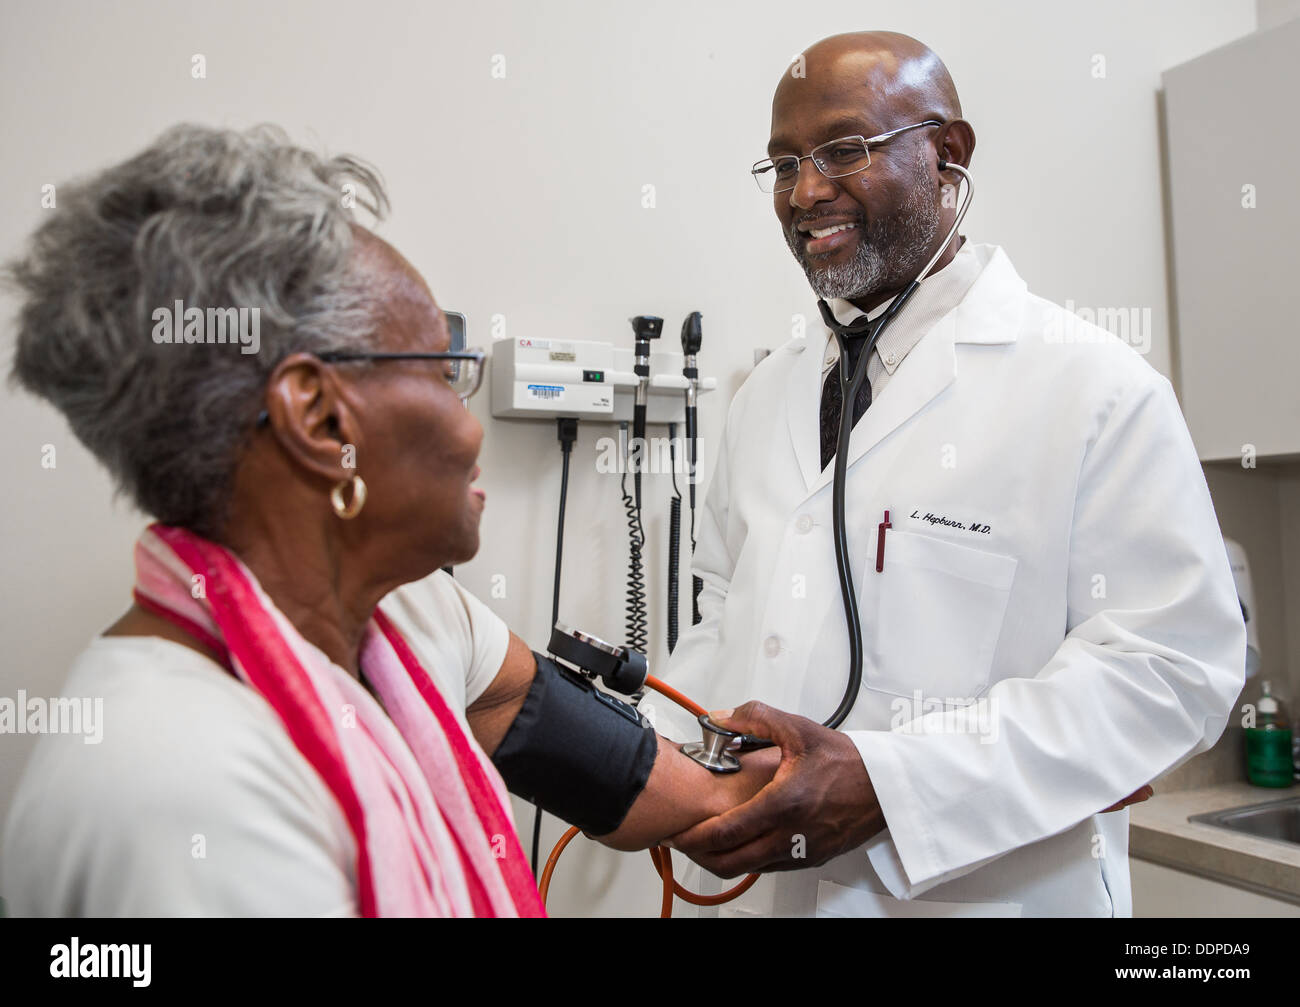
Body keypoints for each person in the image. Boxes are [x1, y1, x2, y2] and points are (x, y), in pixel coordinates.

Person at [0, 123, 776, 917]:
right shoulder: (180, 787)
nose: (471, 427)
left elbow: (540, 721)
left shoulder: (410, 612)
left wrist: (793, 792)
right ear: (321, 419)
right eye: (445, 372)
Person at [661, 31, 1245, 917]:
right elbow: (720, 616)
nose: (807, 191)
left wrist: (892, 785)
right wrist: (644, 759)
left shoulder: (1093, 389)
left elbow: (1169, 670)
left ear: (948, 154)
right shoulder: (763, 395)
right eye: (783, 164)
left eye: (844, 150)